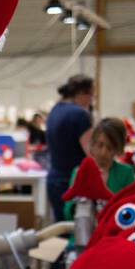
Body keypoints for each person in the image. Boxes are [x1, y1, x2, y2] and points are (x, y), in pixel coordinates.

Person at [61, 117, 135, 219]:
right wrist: (78, 206)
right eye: (100, 145)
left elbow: (132, 209)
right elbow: (67, 212)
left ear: (118, 148)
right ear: (92, 143)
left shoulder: (126, 173)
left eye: (110, 148)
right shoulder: (79, 171)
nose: (103, 153)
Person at [44, 74, 95, 219]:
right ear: (80, 93)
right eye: (90, 95)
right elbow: (92, 152)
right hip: (71, 181)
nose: (91, 100)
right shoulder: (79, 115)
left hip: (54, 179)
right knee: (76, 231)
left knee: (61, 231)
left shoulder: (54, 110)